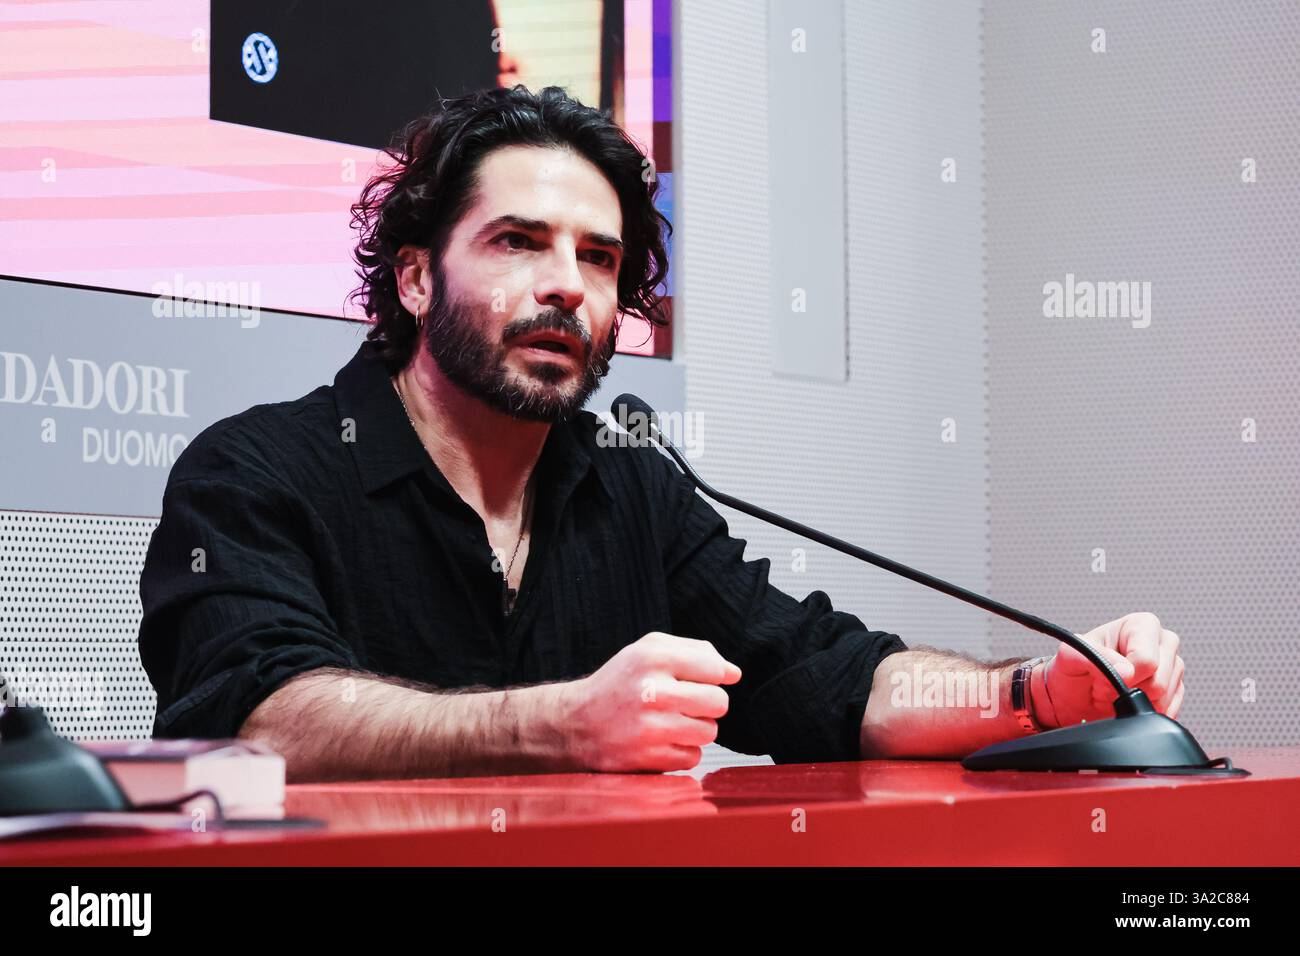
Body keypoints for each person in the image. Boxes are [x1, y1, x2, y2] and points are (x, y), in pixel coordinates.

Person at [137, 86, 1184, 782]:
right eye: (517, 241)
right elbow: (259, 719)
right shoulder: (254, 470)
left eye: (598, 258)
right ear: (415, 275)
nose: (565, 285)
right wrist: (557, 721)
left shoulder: (630, 486)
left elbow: (826, 677)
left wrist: (1037, 693)